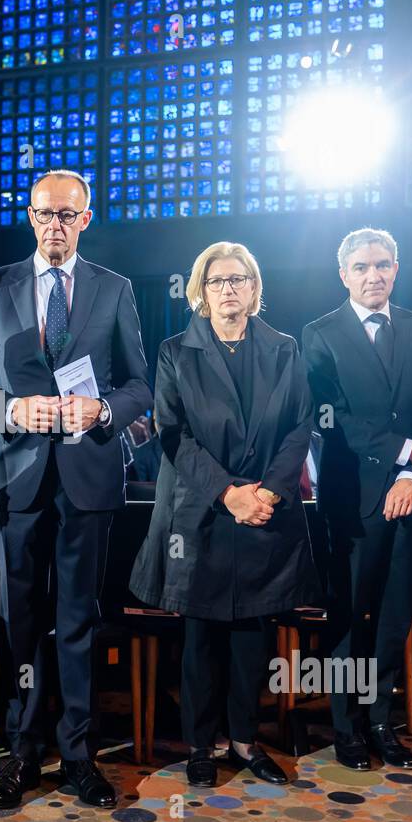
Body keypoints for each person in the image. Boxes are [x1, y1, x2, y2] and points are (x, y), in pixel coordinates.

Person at [0, 169, 152, 809]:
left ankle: (78, 755)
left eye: (68, 215)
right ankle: (20, 753)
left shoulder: (116, 289)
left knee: (76, 623)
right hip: (14, 480)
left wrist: (104, 413)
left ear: (85, 219)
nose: (56, 225)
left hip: (87, 475)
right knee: (19, 622)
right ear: (31, 218)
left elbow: (139, 386)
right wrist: (12, 411)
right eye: (45, 215)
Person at [130, 242, 319, 788]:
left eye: (239, 280)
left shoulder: (284, 348)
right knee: (202, 636)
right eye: (217, 281)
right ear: (200, 291)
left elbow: (300, 426)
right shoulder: (175, 351)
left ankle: (244, 740)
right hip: (201, 514)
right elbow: (173, 433)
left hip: (265, 511)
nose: (229, 289)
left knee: (252, 634)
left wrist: (270, 494)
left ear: (255, 289)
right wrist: (229, 494)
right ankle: (199, 745)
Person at [301, 228, 412, 771]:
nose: (373, 275)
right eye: (361, 267)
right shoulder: (319, 334)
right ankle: (346, 728)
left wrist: (411, 473)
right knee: (349, 618)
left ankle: (381, 722)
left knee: (393, 617)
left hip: (411, 497)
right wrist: (406, 448)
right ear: (344, 275)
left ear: (396, 268)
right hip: (353, 502)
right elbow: (334, 419)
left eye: (383, 265)